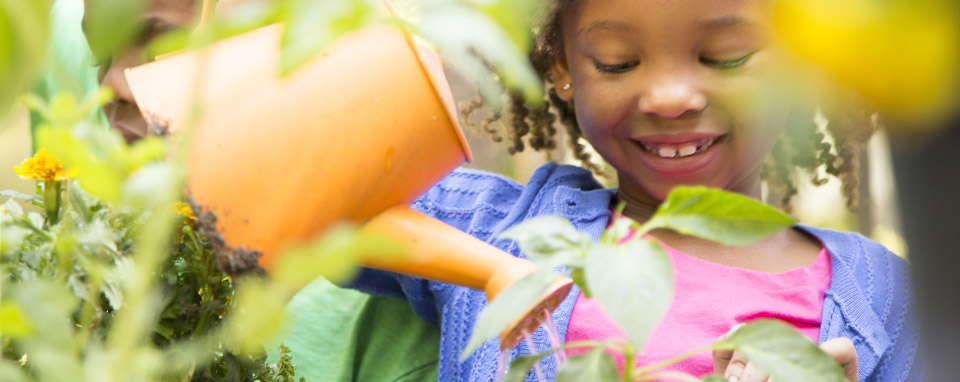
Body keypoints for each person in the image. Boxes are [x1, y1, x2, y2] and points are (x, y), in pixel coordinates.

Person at [349, 0, 920, 381]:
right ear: (563, 67)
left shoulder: (886, 301)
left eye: (727, 57)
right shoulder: (501, 229)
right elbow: (313, 206)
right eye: (618, 63)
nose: (670, 96)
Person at [83, 0, 443, 380]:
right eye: (99, 57)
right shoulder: (101, 278)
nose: (111, 85)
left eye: (161, 38)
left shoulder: (392, 308)